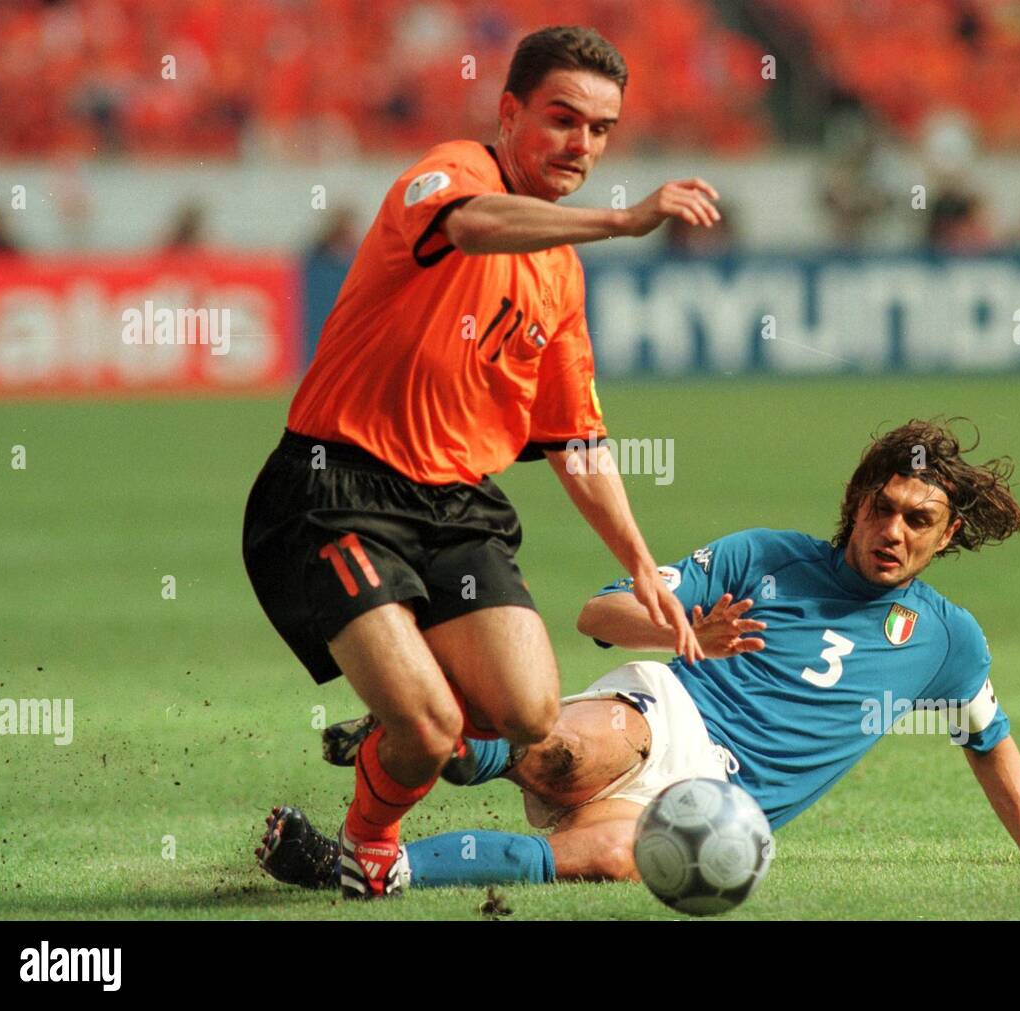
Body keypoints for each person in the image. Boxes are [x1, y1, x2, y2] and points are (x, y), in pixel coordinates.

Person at [242, 25, 723, 899]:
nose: (583, 144)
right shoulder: (454, 173)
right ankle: (369, 843)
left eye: (602, 128)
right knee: (426, 730)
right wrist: (622, 220)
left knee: (531, 713)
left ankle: (401, 721)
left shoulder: (560, 277)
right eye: (562, 118)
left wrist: (637, 563)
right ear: (510, 112)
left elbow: (576, 440)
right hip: (338, 489)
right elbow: (469, 228)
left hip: (457, 506)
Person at [257, 419, 1020, 895]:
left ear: (947, 535)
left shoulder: (949, 639)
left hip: (719, 808)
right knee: (566, 757)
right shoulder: (764, 555)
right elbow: (600, 610)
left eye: (920, 521)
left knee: (610, 859)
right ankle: (443, 734)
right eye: (884, 509)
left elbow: (987, 733)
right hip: (667, 713)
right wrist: (685, 633)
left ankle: (377, 868)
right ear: (857, 503)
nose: (895, 532)